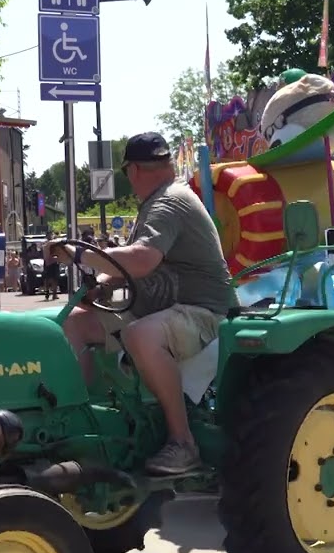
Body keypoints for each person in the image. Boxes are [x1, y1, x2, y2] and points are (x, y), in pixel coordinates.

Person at [50, 132, 234, 475]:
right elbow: (127, 268)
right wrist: (104, 286)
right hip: (160, 310)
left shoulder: (171, 201)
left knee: (140, 335)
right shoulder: (155, 203)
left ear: (132, 170)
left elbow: (143, 259)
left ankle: (183, 443)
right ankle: (86, 425)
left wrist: (81, 253)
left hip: (203, 312)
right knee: (72, 323)